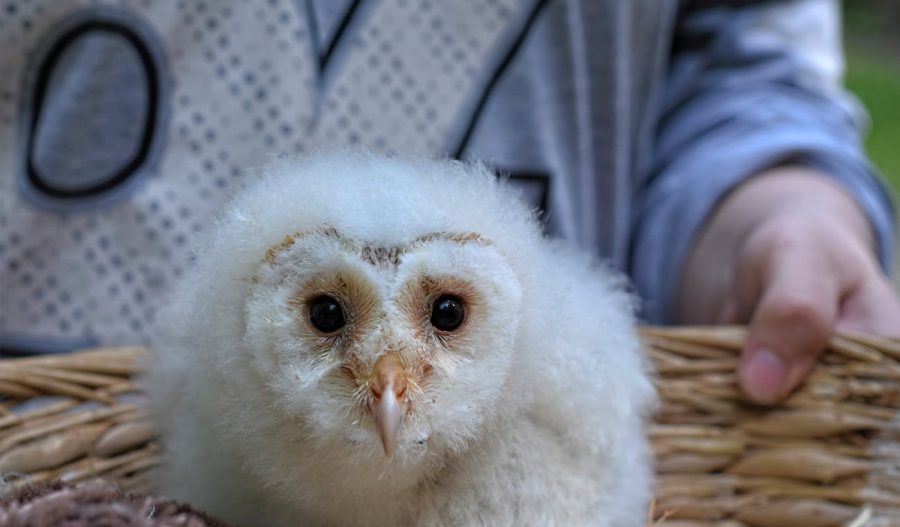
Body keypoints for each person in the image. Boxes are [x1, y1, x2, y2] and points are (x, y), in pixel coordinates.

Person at [0, 0, 897, 404]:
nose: (389, 375)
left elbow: (727, 69)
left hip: (523, 433)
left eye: (444, 314)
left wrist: (780, 211)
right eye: (325, 316)